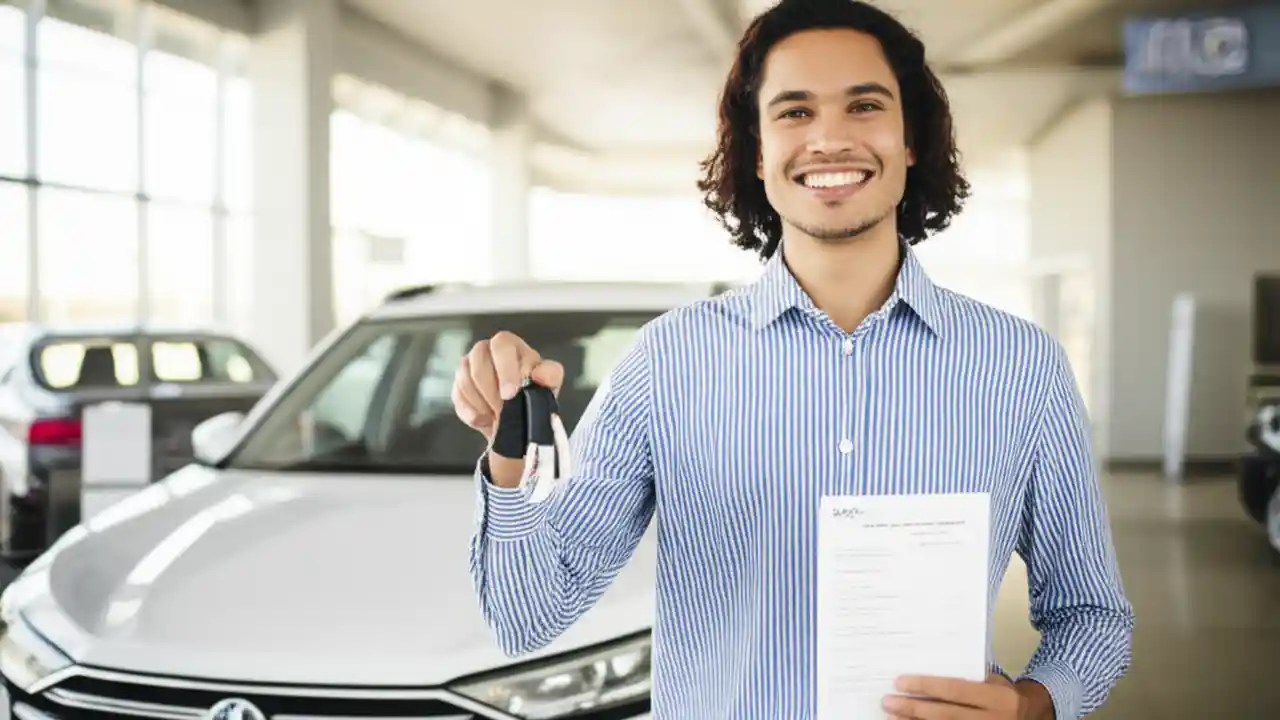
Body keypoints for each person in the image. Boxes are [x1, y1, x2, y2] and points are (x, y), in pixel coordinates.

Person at [454, 0, 1134, 717]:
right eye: (794, 111)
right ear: (756, 150)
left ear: (910, 141)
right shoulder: (669, 362)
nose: (831, 139)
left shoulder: (1020, 367)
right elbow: (526, 617)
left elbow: (1092, 615)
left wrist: (1033, 705)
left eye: (865, 106)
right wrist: (511, 456)